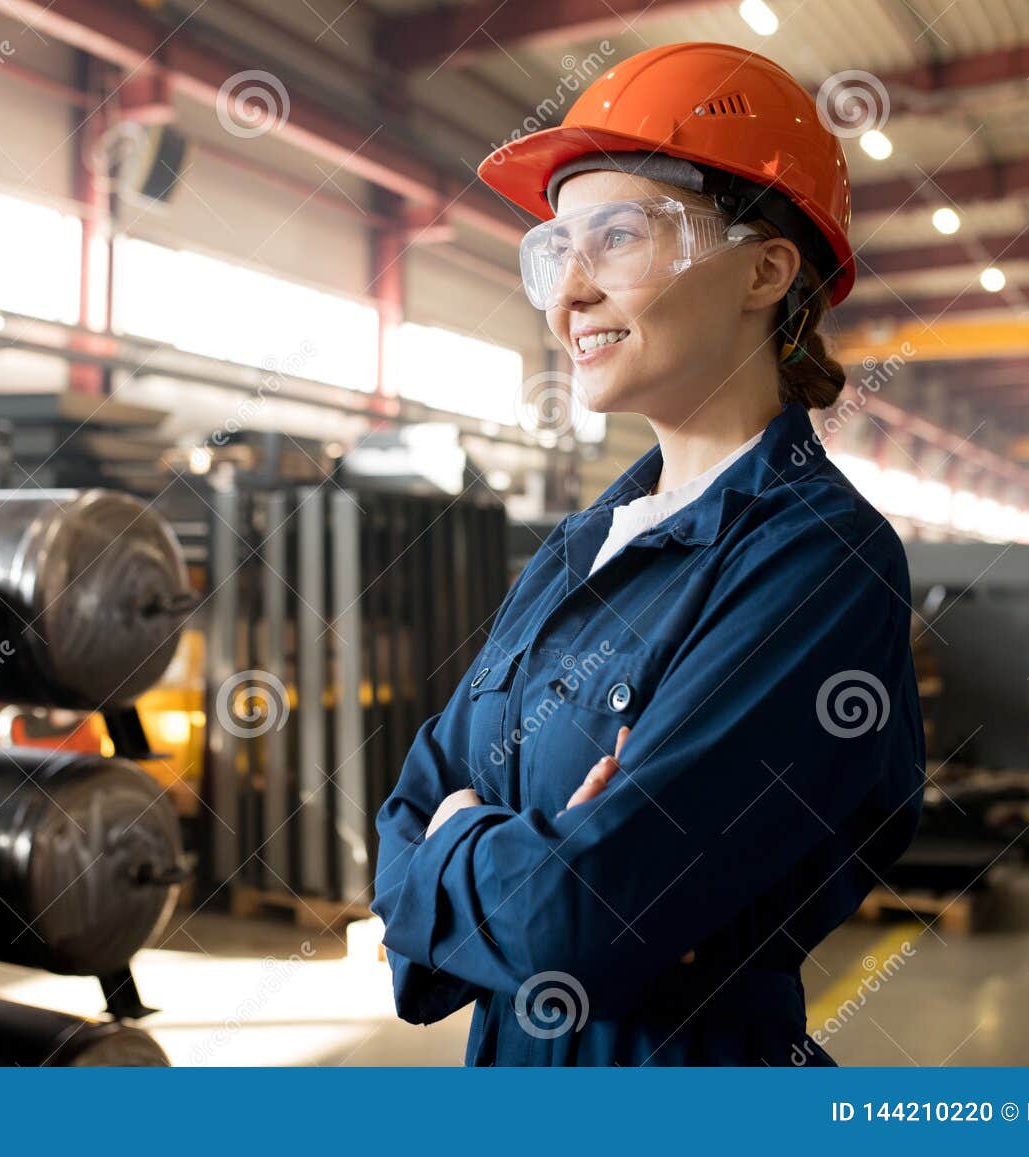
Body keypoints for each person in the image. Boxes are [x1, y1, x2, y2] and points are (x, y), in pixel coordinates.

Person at [370, 42, 925, 1066]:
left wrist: (458, 842)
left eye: (617, 238)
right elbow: (406, 810)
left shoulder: (819, 560)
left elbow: (579, 919)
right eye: (554, 250)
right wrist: (491, 853)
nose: (566, 294)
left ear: (765, 269)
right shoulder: (578, 548)